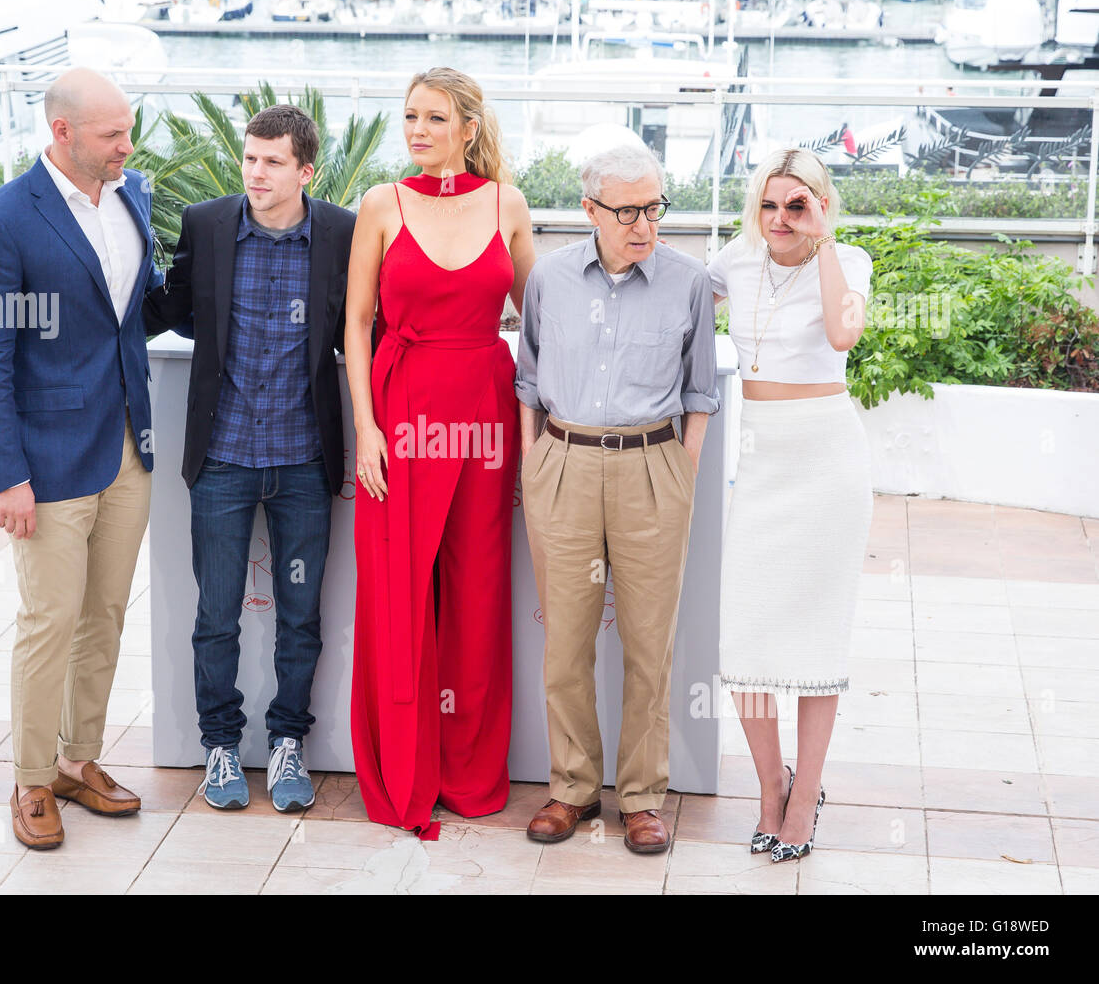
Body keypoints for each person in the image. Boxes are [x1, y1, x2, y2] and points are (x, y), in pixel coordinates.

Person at [0, 68, 163, 850]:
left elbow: (141, 305)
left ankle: (80, 761)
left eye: (129, 130)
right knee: (49, 619)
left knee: (104, 616)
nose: (127, 145)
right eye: (113, 134)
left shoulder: (132, 193)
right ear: (64, 133)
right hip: (44, 461)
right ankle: (31, 779)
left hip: (127, 449)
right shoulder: (3, 223)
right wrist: (5, 474)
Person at [143, 104, 356, 813]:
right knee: (218, 612)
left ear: (306, 171)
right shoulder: (206, 226)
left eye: (272, 162)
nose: (256, 173)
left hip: (303, 459)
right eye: (249, 158)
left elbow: (365, 326)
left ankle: (289, 740)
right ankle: (221, 747)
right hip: (225, 456)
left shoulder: (342, 233)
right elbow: (173, 307)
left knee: (300, 614)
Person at [345, 67, 536, 840]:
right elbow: (357, 324)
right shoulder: (381, 204)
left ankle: (470, 773)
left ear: (468, 127)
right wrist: (366, 428)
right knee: (398, 599)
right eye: (409, 117)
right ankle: (405, 771)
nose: (417, 130)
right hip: (401, 413)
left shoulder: (508, 204)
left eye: (433, 118)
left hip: (486, 420)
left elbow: (543, 322)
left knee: (479, 595)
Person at [516, 143, 719, 855]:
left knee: (648, 644)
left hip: (652, 468)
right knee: (565, 641)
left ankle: (641, 797)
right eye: (627, 210)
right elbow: (527, 377)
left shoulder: (690, 282)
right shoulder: (550, 278)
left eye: (654, 207)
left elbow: (701, 390)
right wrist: (532, 461)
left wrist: (682, 471)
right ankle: (571, 787)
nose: (644, 225)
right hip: (564, 463)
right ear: (590, 211)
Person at [707, 147, 873, 862]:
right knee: (743, 640)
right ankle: (770, 784)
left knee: (814, 637)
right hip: (762, 461)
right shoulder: (737, 260)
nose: (781, 219)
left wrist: (826, 240)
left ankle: (804, 797)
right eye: (771, 204)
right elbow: (665, 289)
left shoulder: (850, 261)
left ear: (822, 206)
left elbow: (843, 333)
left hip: (829, 463)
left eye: (797, 205)